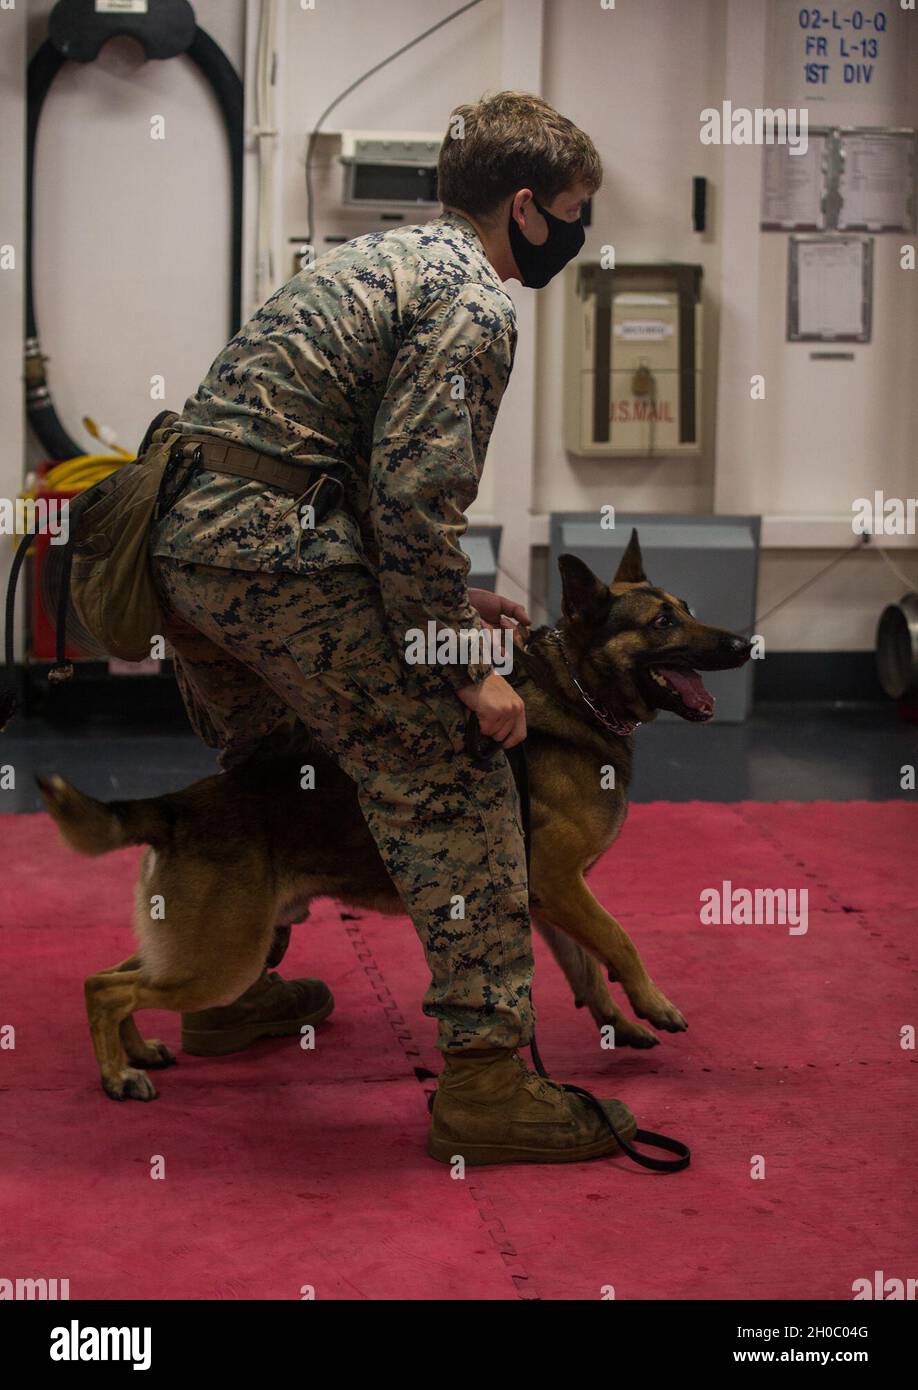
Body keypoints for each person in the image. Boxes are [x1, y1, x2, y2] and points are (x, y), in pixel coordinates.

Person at [148, 90, 636, 1164]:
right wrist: (466, 666)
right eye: (575, 208)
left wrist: (447, 603)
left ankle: (227, 990)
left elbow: (339, 464)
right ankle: (487, 1084)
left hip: (188, 553)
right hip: (272, 554)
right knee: (456, 772)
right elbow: (417, 495)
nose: (578, 229)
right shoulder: (474, 298)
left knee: (283, 764)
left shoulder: (374, 260)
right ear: (526, 206)